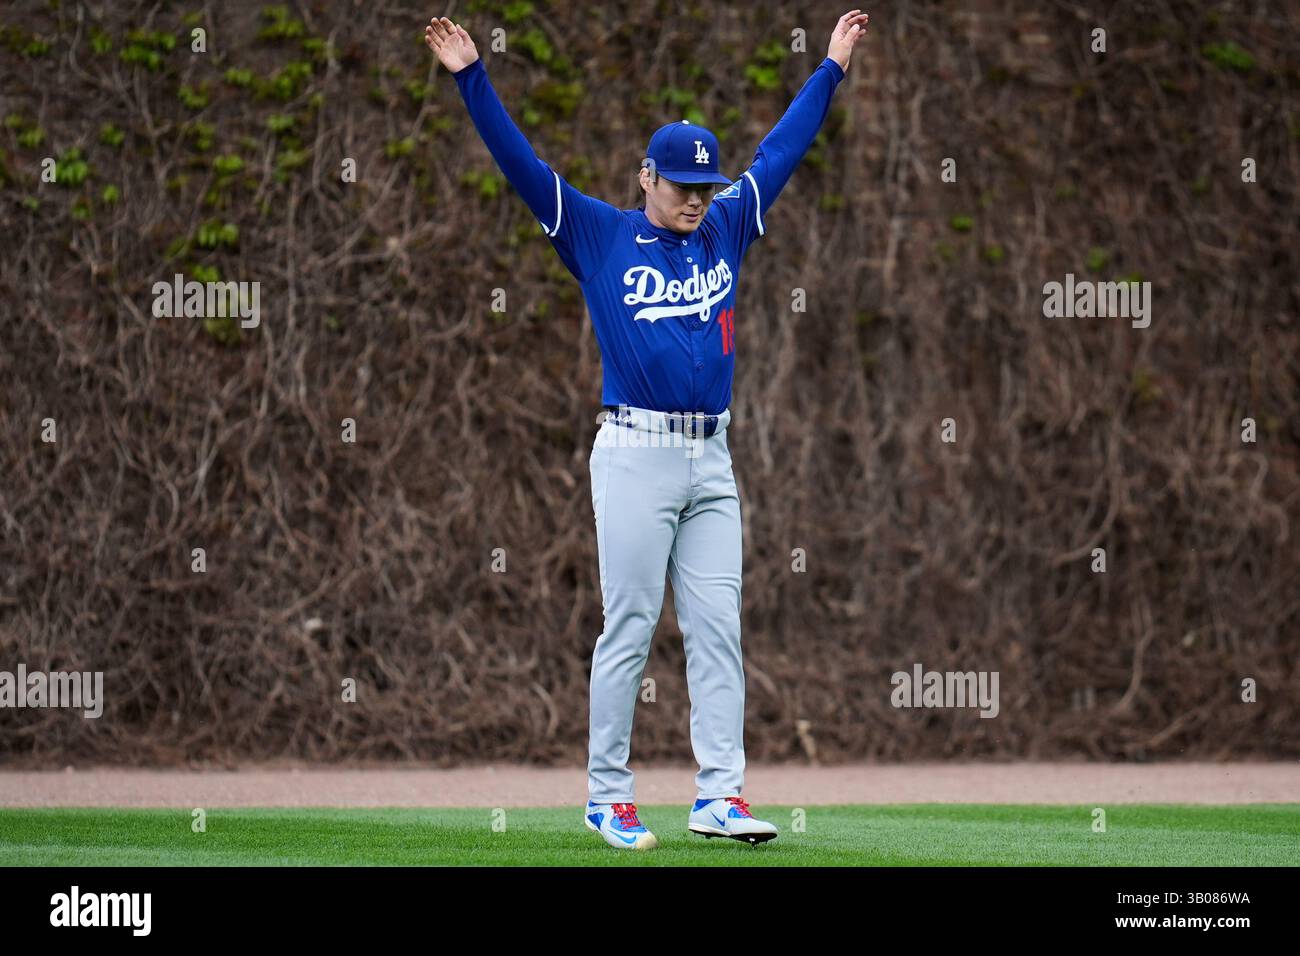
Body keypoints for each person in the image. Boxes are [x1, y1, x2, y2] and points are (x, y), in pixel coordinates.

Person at [426, 10, 868, 850]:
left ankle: (719, 797)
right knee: (628, 624)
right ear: (645, 178)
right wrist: (471, 78)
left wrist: (833, 69)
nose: (696, 200)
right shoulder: (599, 233)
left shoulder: (728, 226)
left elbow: (779, 152)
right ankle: (607, 795)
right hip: (634, 451)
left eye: (704, 187)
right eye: (679, 186)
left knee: (718, 627)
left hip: (711, 456)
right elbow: (524, 168)